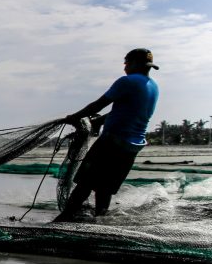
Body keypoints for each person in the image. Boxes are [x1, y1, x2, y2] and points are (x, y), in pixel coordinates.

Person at [55, 48, 160, 221]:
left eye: (126, 63)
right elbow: (128, 112)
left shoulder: (127, 81)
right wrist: (99, 121)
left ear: (133, 63)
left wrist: (73, 117)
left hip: (112, 142)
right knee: (104, 188)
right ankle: (100, 221)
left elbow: (99, 105)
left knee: (85, 184)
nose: (125, 67)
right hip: (132, 147)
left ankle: (63, 220)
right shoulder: (153, 86)